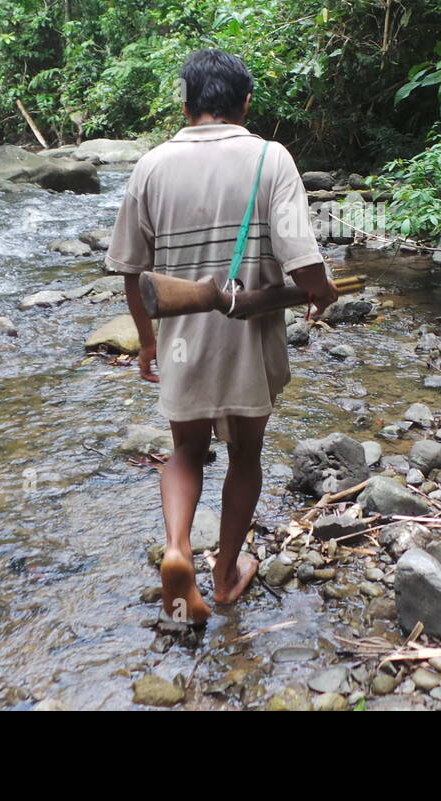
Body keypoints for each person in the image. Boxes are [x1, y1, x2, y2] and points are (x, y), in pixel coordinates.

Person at [104, 48, 337, 623]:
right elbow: (302, 262)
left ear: (185, 104)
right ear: (246, 103)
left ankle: (179, 547)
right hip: (247, 339)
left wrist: (149, 340)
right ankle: (227, 573)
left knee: (184, 450)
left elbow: (134, 273)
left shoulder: (151, 165)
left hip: (181, 336)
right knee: (246, 453)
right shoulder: (271, 157)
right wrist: (323, 291)